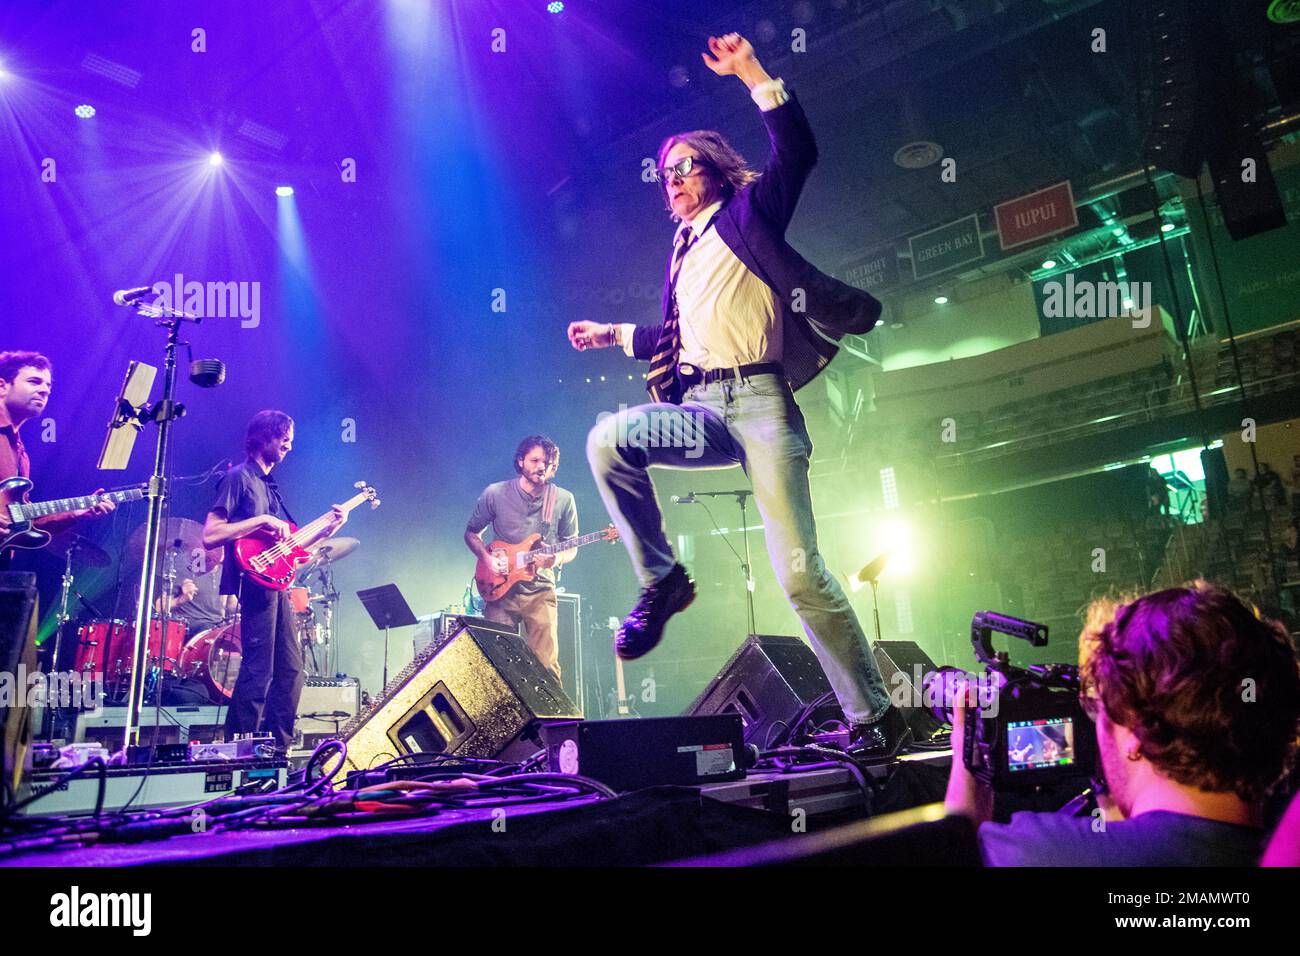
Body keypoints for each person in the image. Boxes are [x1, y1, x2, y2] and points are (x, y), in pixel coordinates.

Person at [568, 33, 907, 756]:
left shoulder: (749, 214)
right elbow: (682, 334)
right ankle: (662, 582)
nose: (673, 180)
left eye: (685, 167)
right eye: (664, 176)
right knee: (607, 440)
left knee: (799, 575)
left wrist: (752, 72)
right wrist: (614, 334)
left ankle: (876, 717)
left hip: (760, 407)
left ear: (715, 171)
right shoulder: (682, 248)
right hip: (701, 413)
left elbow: (798, 153)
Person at [945, 582, 1300, 866]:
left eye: (1099, 709)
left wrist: (968, 751)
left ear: (1134, 727)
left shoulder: (1038, 852)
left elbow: (950, 854)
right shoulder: (1285, 846)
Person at [201, 410, 345, 748]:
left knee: (292, 671)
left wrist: (329, 528)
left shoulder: (269, 486)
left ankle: (277, 748)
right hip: (253, 583)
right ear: (264, 437)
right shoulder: (238, 478)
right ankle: (240, 748)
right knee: (258, 670)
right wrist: (262, 519)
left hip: (276, 585)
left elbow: (290, 548)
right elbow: (211, 534)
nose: (289, 446)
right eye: (284, 438)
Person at [464, 436, 577, 680]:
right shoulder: (495, 493)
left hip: (540, 590)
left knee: (546, 667)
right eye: (535, 460)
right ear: (520, 461)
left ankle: (552, 719)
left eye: (547, 462)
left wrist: (554, 560)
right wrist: (487, 559)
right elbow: (471, 533)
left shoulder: (563, 499)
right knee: (497, 666)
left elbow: (571, 547)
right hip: (499, 591)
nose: (541, 466)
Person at [0, 350, 115, 560]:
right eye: (35, 382)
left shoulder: (20, 453)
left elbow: (24, 520)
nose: (44, 390)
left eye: (48, 385)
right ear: (2, 386)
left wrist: (76, 513)